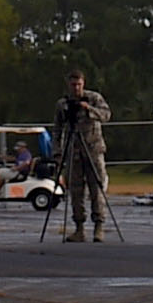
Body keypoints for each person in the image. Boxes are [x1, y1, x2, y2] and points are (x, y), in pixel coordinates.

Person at [54, 71, 112, 241]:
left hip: (93, 149)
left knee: (97, 188)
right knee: (76, 191)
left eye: (79, 84)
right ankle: (79, 228)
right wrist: (57, 152)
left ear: (83, 83)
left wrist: (89, 110)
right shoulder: (63, 104)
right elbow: (57, 128)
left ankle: (99, 226)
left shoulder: (94, 98)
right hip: (74, 151)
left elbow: (106, 115)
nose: (76, 88)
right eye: (73, 85)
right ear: (68, 85)